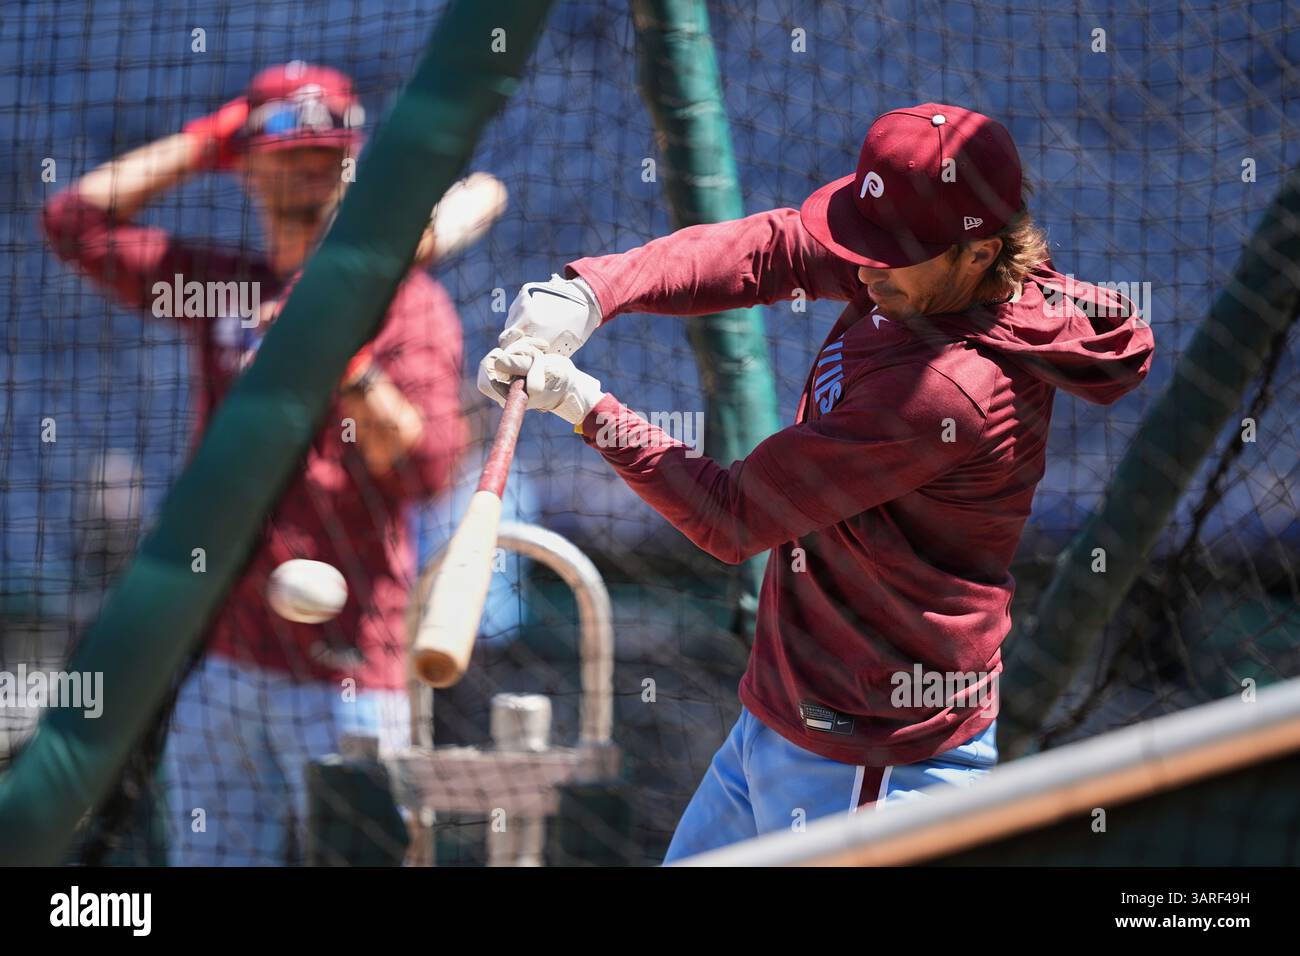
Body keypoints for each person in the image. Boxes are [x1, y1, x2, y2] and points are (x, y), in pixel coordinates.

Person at [478, 103, 1155, 861]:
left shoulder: (945, 391)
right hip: (789, 720)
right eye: (863, 244)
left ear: (979, 252)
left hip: (874, 762)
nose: (864, 268)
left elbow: (729, 517)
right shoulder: (923, 269)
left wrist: (584, 406)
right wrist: (593, 289)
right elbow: (775, 248)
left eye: (887, 254)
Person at [43, 61, 477, 865]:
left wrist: (341, 356)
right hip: (229, 660)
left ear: (356, 161)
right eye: (288, 144)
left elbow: (427, 468)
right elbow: (75, 223)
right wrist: (211, 139)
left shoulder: (407, 304)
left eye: (331, 146)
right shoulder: (225, 290)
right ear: (248, 164)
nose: (313, 161)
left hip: (347, 672)